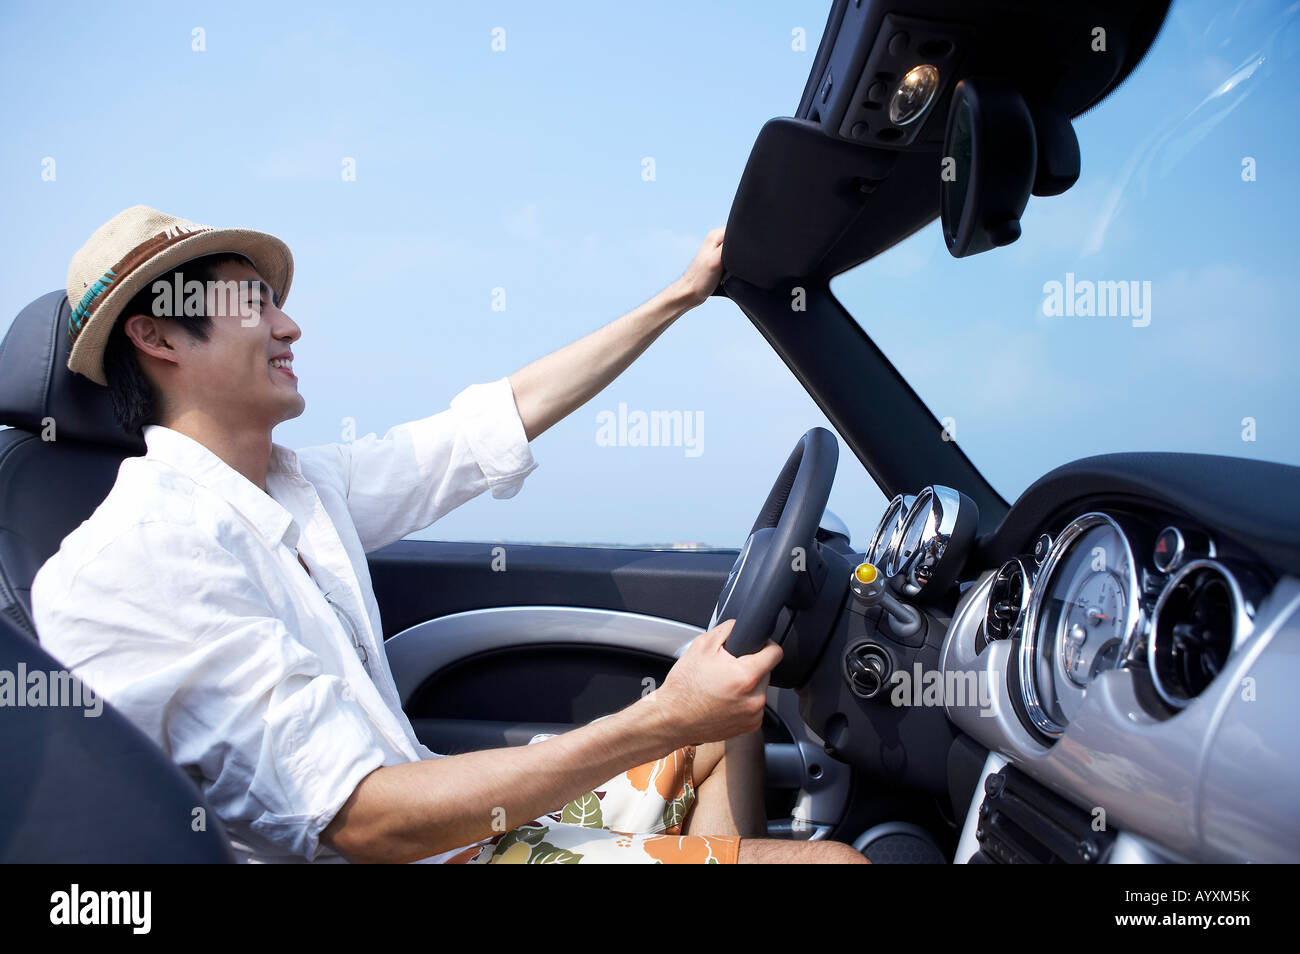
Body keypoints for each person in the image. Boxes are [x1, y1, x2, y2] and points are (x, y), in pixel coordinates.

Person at [31, 205, 867, 865]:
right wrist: (657, 720)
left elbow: (481, 431)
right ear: (156, 334)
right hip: (409, 856)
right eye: (255, 306)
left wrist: (677, 297)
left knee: (722, 727)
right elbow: (365, 822)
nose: (290, 330)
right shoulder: (145, 556)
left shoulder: (296, 485)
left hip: (466, 842)